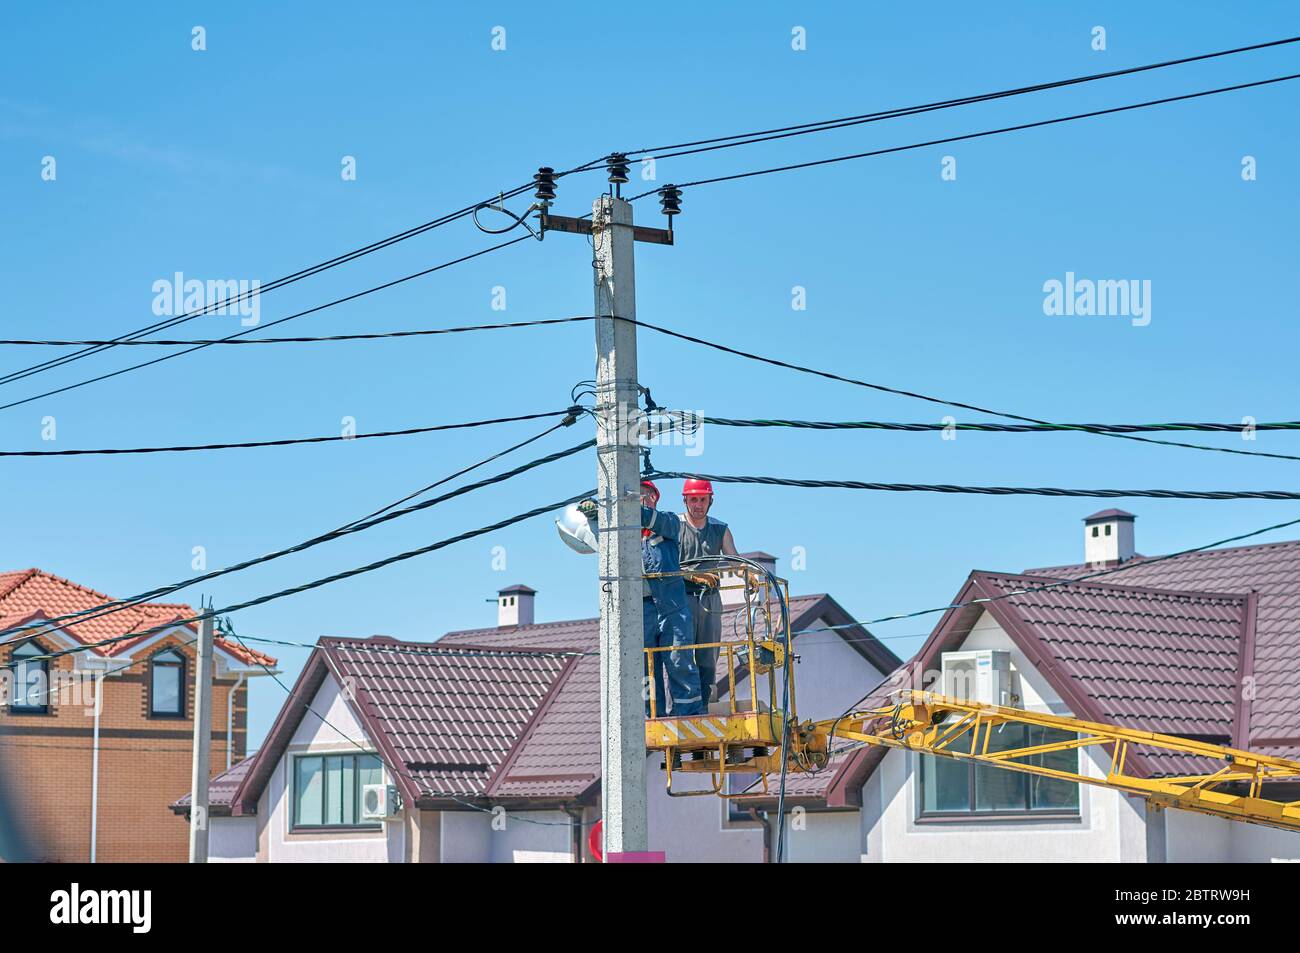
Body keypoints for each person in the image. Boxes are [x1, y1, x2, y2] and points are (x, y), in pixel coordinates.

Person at [578, 481, 702, 717]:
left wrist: (622, 507)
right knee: (645, 667)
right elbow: (598, 538)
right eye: (638, 496)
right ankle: (651, 717)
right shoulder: (622, 539)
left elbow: (650, 518)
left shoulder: (669, 523)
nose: (642, 499)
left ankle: (688, 716)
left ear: (655, 498)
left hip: (672, 607)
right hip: (641, 609)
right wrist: (596, 514)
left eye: (646, 495)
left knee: (679, 661)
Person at [677, 479, 741, 708]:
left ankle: (704, 706)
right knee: (681, 658)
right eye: (693, 499)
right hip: (681, 602)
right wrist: (693, 576)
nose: (698, 505)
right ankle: (684, 708)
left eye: (702, 499)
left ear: (710, 500)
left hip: (710, 601)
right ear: (685, 500)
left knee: (708, 659)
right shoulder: (675, 526)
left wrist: (749, 575)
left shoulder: (719, 529)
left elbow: (734, 558)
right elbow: (666, 565)